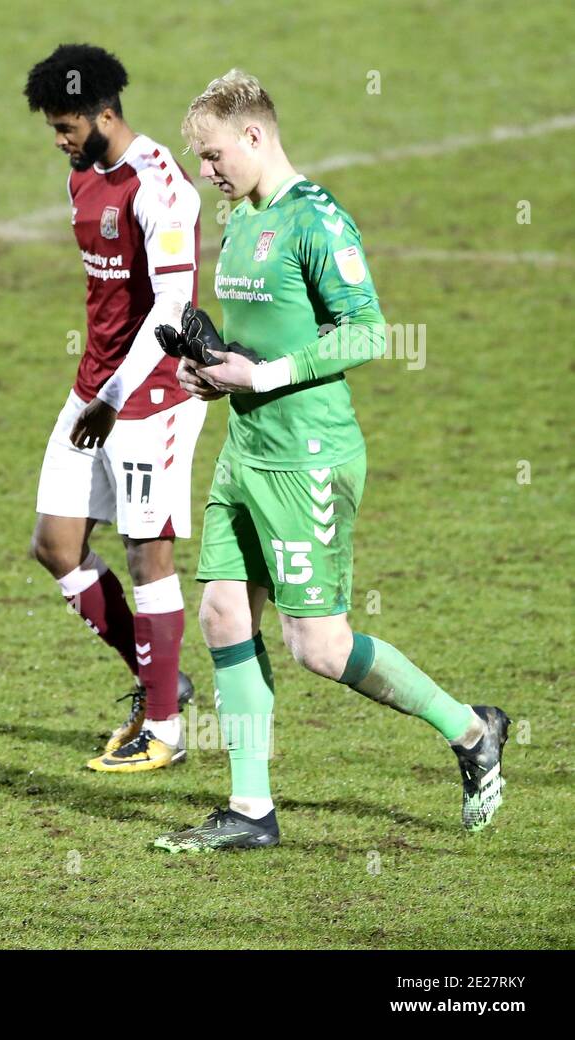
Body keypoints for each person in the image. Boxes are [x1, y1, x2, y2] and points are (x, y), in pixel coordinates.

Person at [152, 71, 508, 851]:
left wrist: (265, 376)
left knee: (320, 646)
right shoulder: (242, 216)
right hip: (246, 447)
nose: (204, 171)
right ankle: (251, 812)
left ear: (255, 135)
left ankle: (470, 730)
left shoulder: (318, 221)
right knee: (220, 609)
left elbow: (368, 332)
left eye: (212, 155)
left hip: (308, 458)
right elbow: (259, 338)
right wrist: (213, 372)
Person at [23, 44, 206, 772]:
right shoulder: (81, 177)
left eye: (67, 125)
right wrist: (95, 391)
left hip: (150, 393)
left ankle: (165, 728)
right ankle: (161, 680)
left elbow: (174, 302)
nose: (59, 138)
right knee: (55, 546)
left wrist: (115, 395)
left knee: (146, 552)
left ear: (106, 113)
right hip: (93, 388)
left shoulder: (161, 186)